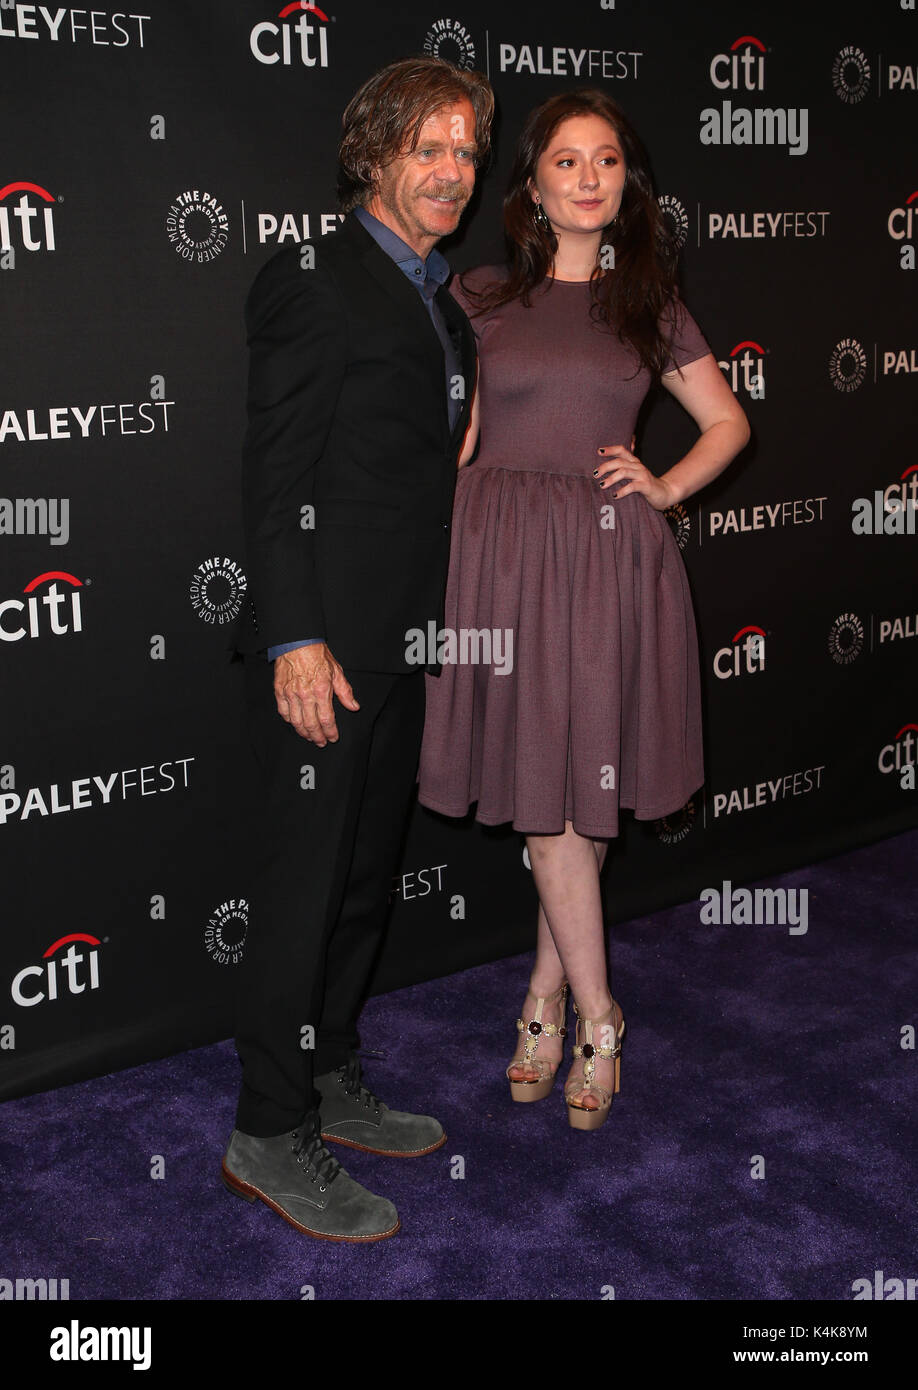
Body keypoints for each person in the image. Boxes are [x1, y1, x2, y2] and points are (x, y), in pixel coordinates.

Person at [417, 90, 750, 1131]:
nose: (590, 177)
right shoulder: (474, 294)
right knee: (553, 794)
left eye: (608, 160)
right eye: (567, 161)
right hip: (503, 561)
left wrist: (666, 485)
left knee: (579, 798)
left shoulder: (648, 298)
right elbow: (453, 433)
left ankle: (565, 1005)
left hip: (607, 564)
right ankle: (574, 1001)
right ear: (531, 184)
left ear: (628, 183)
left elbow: (728, 421)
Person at [222, 57, 494, 1240]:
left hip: (402, 637)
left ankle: (328, 1073)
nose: (452, 172)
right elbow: (274, 479)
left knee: (363, 878)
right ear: (374, 154)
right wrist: (293, 635)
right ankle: (267, 1128)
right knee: (301, 889)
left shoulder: (437, 296)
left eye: (467, 152)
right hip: (326, 648)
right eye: (427, 148)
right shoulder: (316, 279)